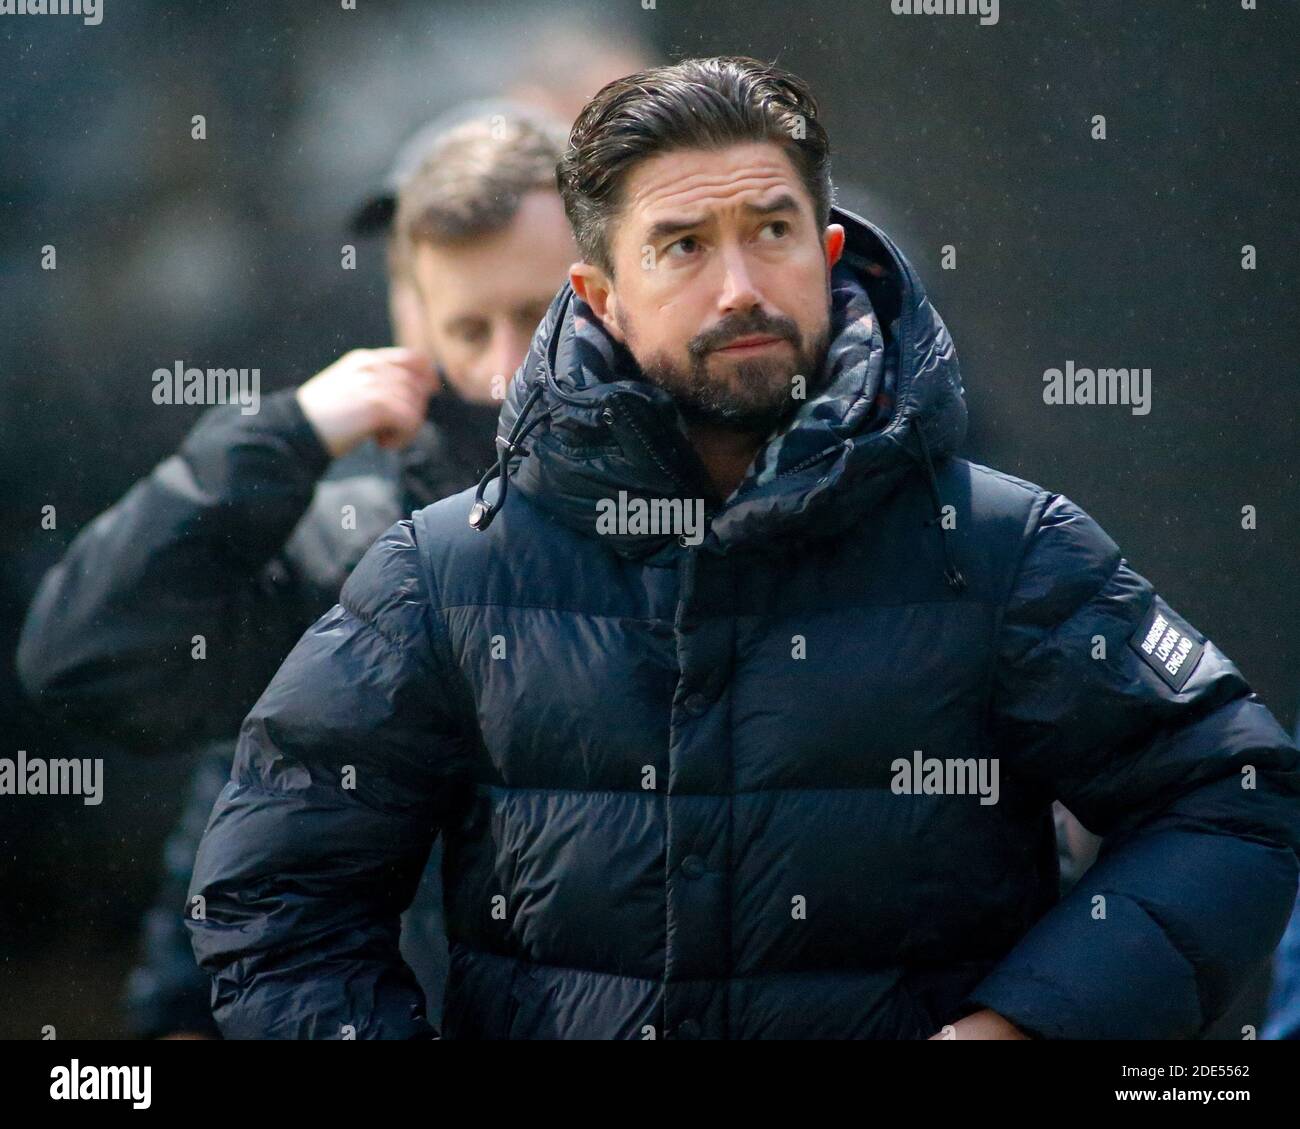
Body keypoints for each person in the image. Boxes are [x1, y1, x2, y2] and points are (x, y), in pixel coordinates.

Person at [186, 56, 1300, 1040]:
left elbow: (1232, 795)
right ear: (601, 297)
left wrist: (1023, 1023)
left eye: (769, 232)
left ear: (823, 252)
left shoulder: (1003, 546)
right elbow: (275, 892)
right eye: (681, 246)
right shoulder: (447, 571)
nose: (738, 288)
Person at [16, 104, 577, 1037]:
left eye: (540, 315)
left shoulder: (696, 500)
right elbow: (84, 657)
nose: (505, 374)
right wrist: (281, 434)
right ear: (406, 317)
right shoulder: (337, 547)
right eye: (469, 327)